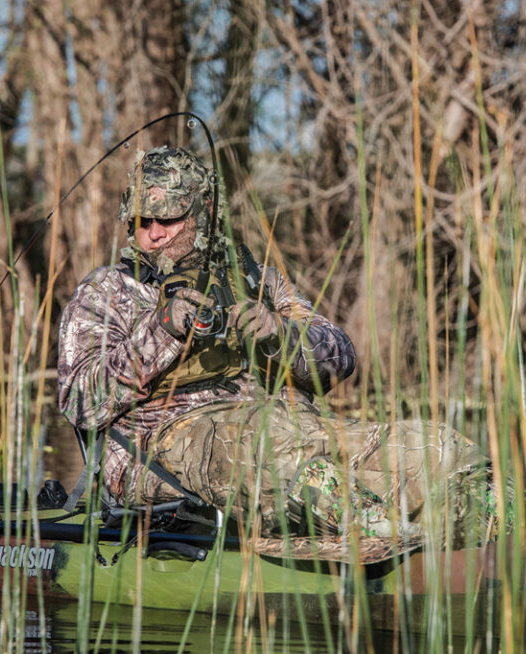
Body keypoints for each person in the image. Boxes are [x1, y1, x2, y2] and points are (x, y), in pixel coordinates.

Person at [57, 146, 498, 546]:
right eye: (140, 222)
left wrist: (278, 335)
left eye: (167, 220)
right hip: (168, 449)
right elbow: (79, 402)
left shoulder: (256, 280)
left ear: (204, 214)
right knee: (274, 452)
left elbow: (340, 357)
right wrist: (161, 331)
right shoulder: (107, 292)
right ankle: (398, 539)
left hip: (294, 433)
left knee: (436, 444)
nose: (153, 233)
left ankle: (518, 531)